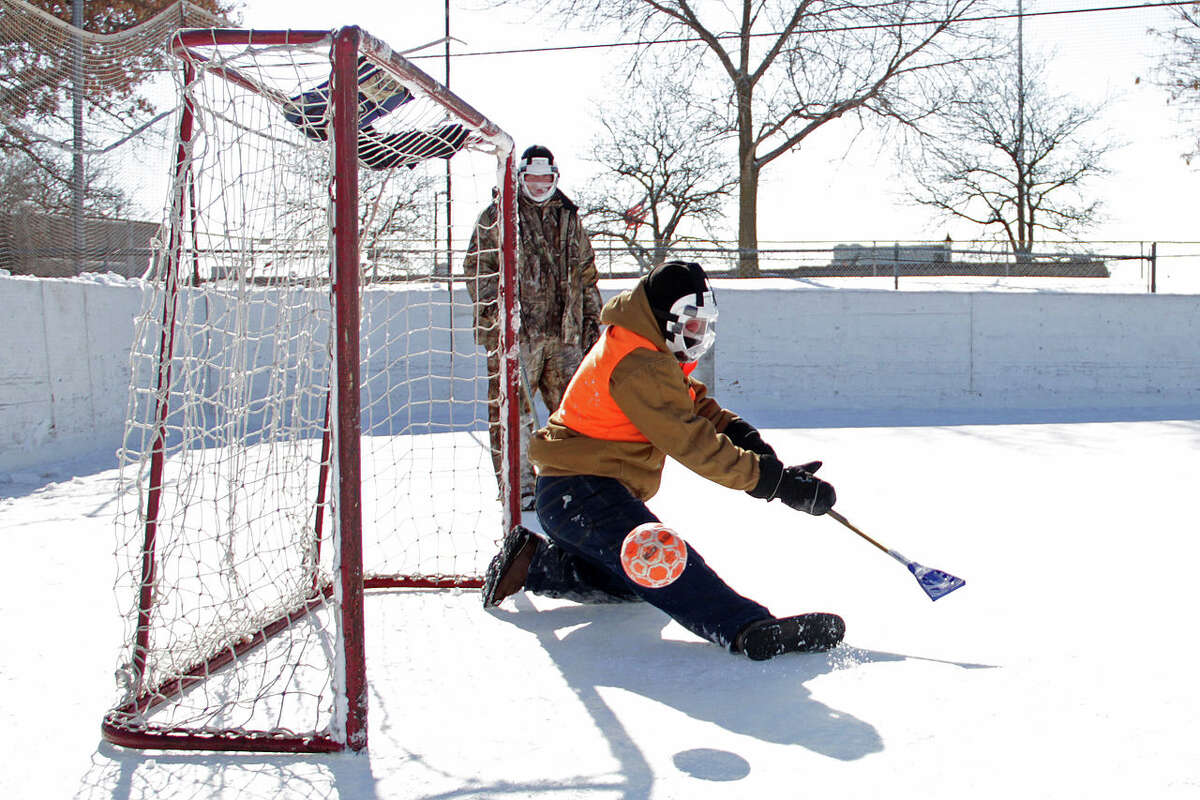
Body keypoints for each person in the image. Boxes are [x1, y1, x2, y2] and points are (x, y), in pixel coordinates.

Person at [481, 260, 845, 660]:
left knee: (637, 579)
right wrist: (775, 485)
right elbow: (693, 442)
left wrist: (757, 450)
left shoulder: (648, 345)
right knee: (659, 557)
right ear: (663, 317)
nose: (698, 335)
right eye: (690, 324)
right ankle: (745, 627)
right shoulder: (640, 364)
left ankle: (534, 564)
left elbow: (698, 409)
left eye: (704, 326)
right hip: (579, 489)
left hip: (583, 492)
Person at [463, 144, 603, 509]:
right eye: (532, 177)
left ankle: (571, 482)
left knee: (573, 414)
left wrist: (592, 324)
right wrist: (496, 316)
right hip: (517, 338)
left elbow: (586, 273)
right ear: (520, 177)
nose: (540, 185)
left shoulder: (570, 217)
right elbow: (478, 268)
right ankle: (521, 487)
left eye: (547, 178)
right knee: (512, 413)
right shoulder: (499, 216)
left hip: (565, 336)